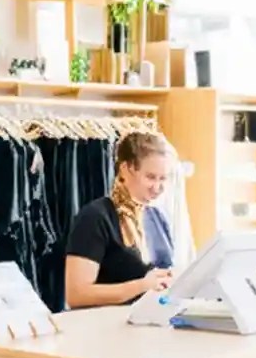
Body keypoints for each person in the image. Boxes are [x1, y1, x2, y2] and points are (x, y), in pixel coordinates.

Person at [64, 132, 176, 308]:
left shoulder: (157, 217)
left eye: (163, 179)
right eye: (150, 177)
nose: (158, 187)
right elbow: (77, 295)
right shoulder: (95, 218)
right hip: (108, 330)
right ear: (126, 169)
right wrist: (142, 285)